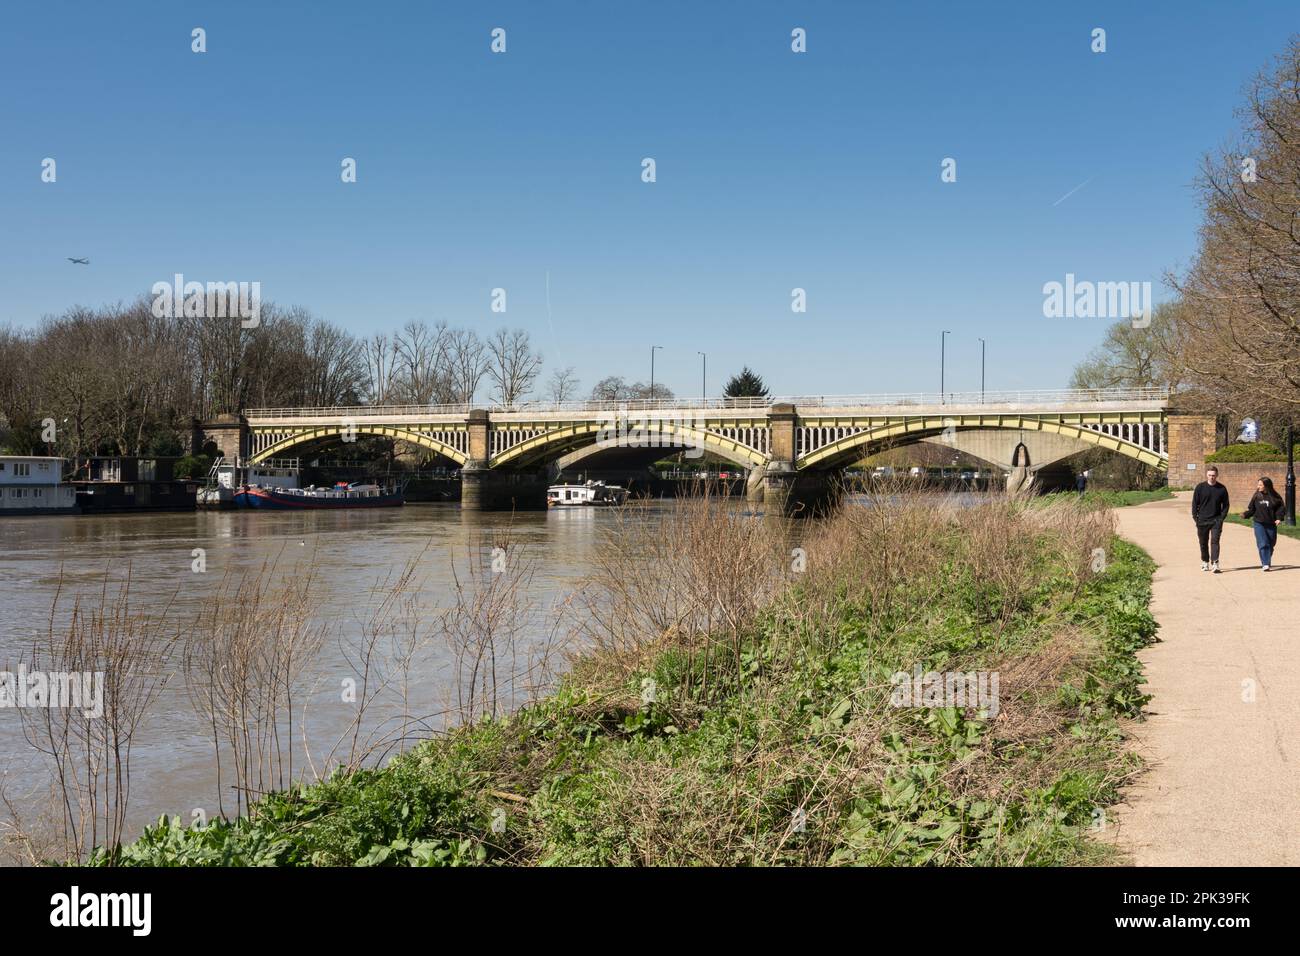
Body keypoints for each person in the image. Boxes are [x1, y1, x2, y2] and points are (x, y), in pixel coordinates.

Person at [1242, 476, 1285, 571]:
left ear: (1266, 486)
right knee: (1263, 543)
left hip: (1271, 524)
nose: (1258, 486)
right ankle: (1265, 563)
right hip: (1259, 523)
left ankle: (1266, 559)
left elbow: (1281, 509)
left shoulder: (1275, 497)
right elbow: (1252, 509)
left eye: (1260, 485)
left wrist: (1279, 518)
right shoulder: (1256, 496)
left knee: (1271, 544)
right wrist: (1246, 514)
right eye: (1258, 484)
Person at [1191, 466, 1229, 572]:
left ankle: (1215, 563)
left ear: (1217, 475)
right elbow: (1195, 504)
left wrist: (1222, 518)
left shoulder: (1222, 488)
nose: (1212, 477)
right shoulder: (1200, 487)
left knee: (1215, 541)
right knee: (1203, 542)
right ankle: (1205, 562)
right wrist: (1196, 517)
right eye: (1210, 475)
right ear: (1206, 475)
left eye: (1213, 475)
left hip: (1216, 520)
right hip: (1202, 520)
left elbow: (1226, 505)